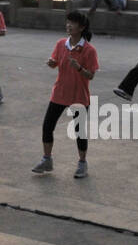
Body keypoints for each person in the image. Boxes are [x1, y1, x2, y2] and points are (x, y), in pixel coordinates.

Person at [34, 10, 99, 179]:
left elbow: (90, 75)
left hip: (79, 95)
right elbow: (55, 62)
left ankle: (82, 163)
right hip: (60, 92)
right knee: (47, 126)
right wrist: (51, 63)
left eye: (73, 23)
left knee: (79, 132)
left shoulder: (89, 50)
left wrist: (79, 67)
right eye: (67, 22)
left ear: (82, 27)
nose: (68, 25)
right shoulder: (61, 43)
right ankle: (47, 159)